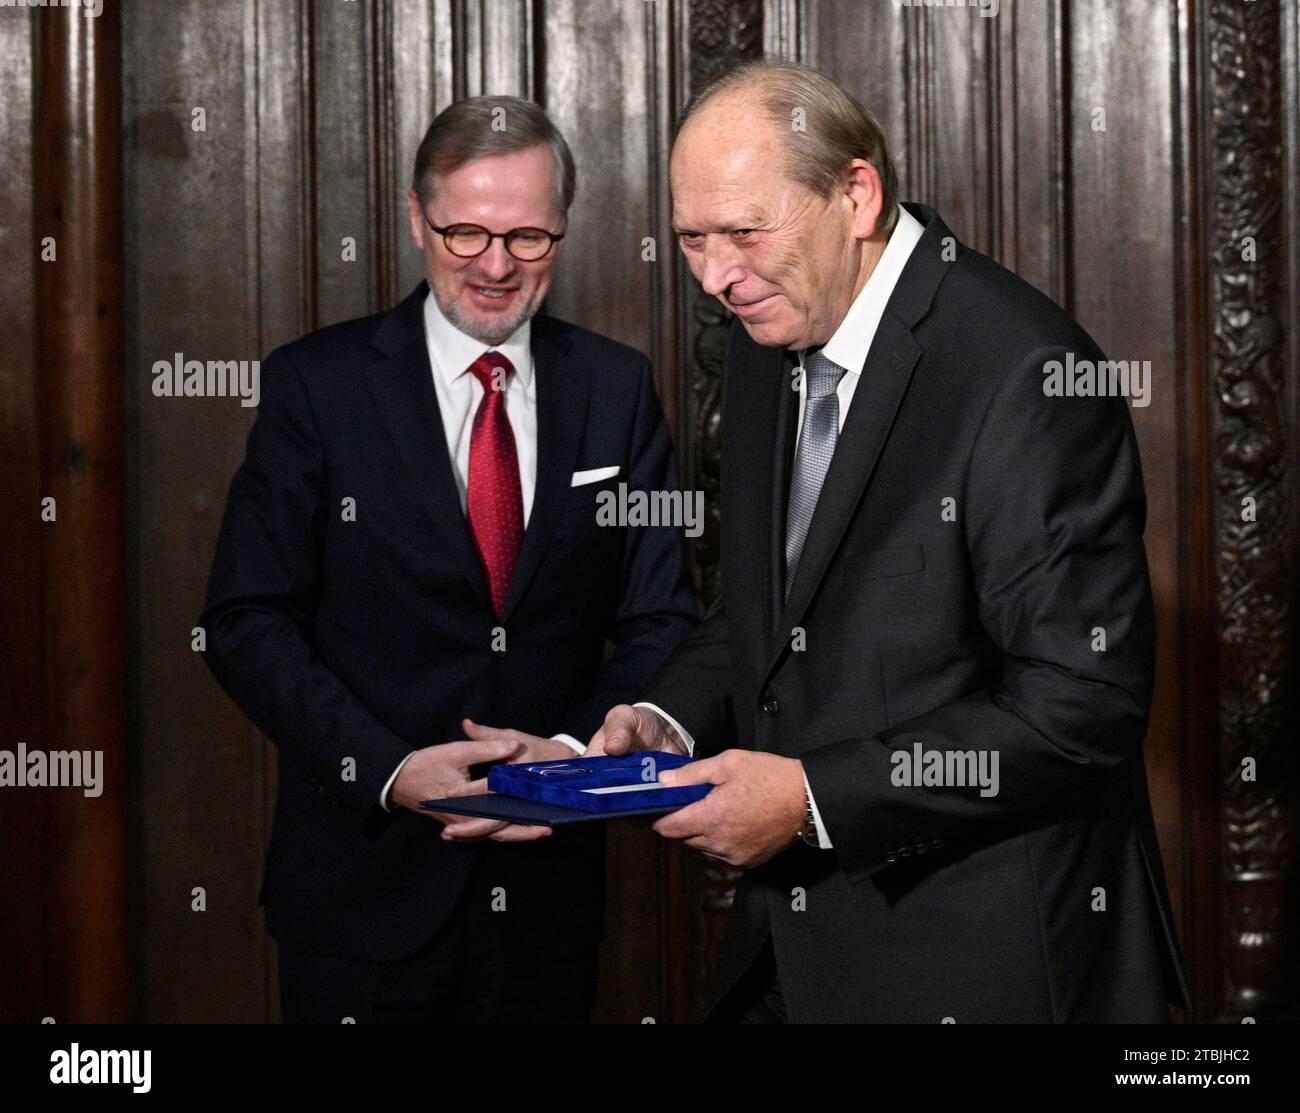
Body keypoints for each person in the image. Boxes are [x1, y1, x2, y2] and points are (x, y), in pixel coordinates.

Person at [587, 61, 1192, 1022]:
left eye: (745, 232)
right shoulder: (767, 327)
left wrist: (811, 798)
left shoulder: (1024, 370)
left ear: (857, 194)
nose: (713, 278)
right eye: (692, 240)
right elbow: (772, 606)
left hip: (978, 962)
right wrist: (661, 720)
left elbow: (1082, 703)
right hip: (784, 954)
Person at [200, 95, 698, 1023]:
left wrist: (566, 766)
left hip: (549, 899)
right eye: (466, 232)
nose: (496, 266)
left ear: (563, 230)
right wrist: (385, 769)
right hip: (358, 896)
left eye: (528, 237)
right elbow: (243, 620)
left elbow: (662, 615)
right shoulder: (316, 385)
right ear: (417, 221)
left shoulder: (617, 387)